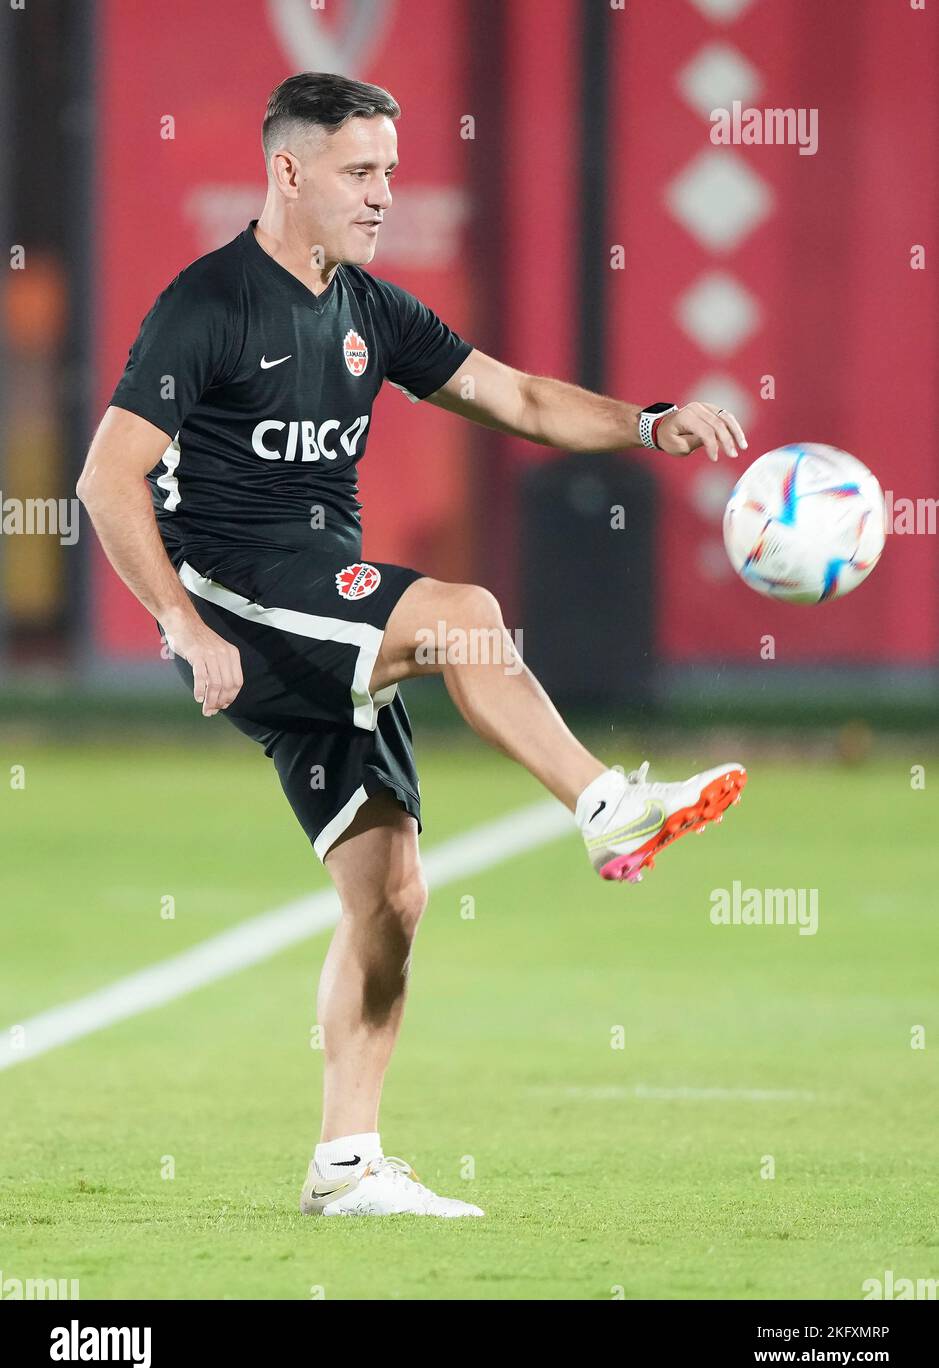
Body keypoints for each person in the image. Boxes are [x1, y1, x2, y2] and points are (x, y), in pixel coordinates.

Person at [77, 72, 748, 1219]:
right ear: (287, 170)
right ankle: (604, 805)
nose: (385, 192)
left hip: (318, 613)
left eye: (391, 169)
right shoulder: (211, 301)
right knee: (464, 614)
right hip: (242, 596)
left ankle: (346, 1165)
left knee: (389, 891)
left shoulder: (371, 309)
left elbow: (522, 400)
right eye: (360, 170)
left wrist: (647, 422)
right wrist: (182, 626)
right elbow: (105, 475)